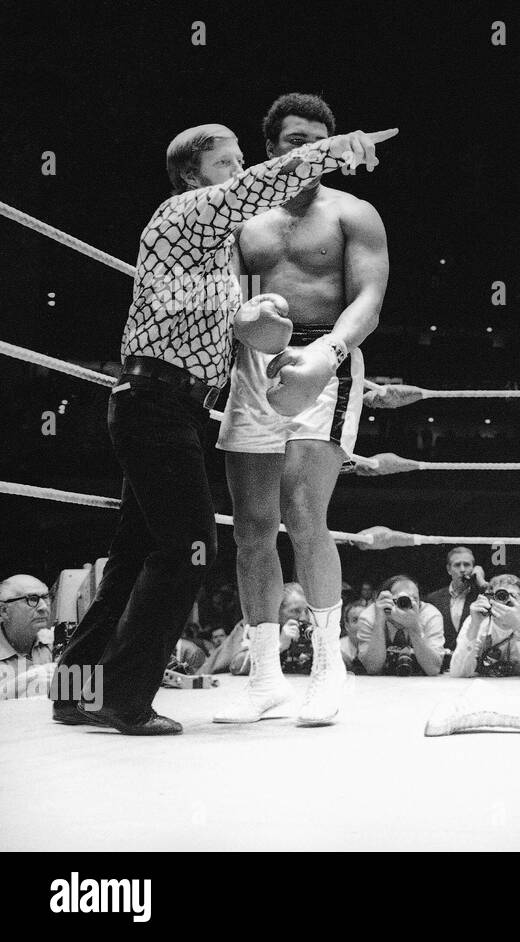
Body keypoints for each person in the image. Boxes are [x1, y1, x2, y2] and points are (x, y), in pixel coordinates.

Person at [52, 120, 395, 735]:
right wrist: (336, 150)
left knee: (133, 552)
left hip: (174, 400)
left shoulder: (222, 246)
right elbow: (256, 191)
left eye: (241, 162)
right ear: (193, 175)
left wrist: (281, 329)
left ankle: (76, 689)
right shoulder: (193, 211)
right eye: (227, 163)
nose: (238, 174)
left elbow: (233, 312)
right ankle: (126, 697)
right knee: (193, 547)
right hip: (158, 400)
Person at [215, 94, 390, 727]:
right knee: (250, 526)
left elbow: (368, 299)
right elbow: (224, 300)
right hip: (254, 363)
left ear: (334, 145)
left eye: (317, 138)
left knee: (302, 514)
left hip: (327, 359)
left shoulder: (354, 212)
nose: (304, 148)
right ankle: (264, 677)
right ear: (271, 149)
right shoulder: (242, 221)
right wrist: (243, 328)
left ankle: (327, 669)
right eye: (292, 139)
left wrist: (327, 355)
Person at [445, 575, 520, 679]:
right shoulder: (477, 620)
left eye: (513, 596)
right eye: (500, 596)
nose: (506, 601)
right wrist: (474, 626)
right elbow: (458, 673)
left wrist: (518, 627)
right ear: (490, 599)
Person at [355, 575, 445, 676]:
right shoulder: (370, 616)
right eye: (401, 599)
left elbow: (433, 669)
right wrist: (379, 623)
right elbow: (372, 668)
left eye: (415, 599)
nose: (408, 604)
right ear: (387, 600)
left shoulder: (430, 615)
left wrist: (413, 627)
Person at [422, 547, 486, 658]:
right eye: (457, 565)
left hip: (472, 661)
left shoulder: (482, 596)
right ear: (448, 569)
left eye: (467, 565)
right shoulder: (433, 599)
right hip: (442, 663)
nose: (462, 569)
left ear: (473, 568)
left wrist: (481, 581)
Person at [0, 575, 54, 700]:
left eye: (45, 598)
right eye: (32, 599)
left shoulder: (56, 642)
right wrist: (22, 683)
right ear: (4, 611)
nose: (44, 607)